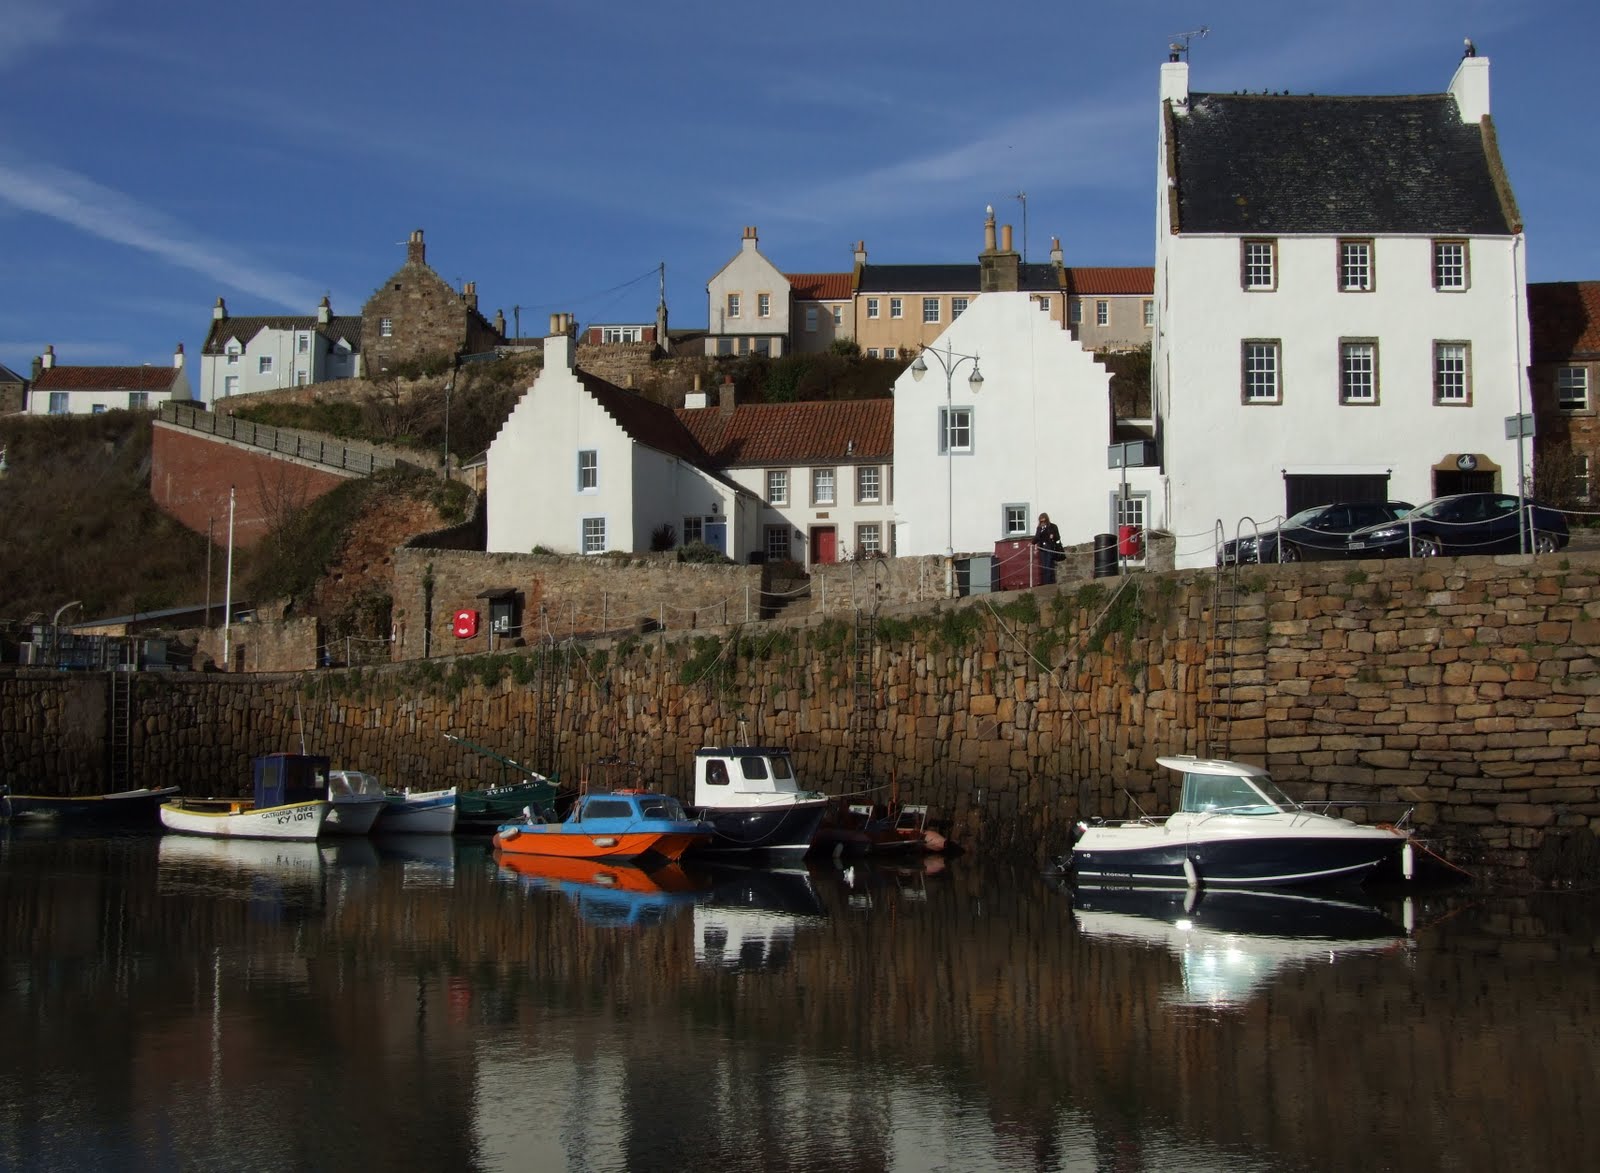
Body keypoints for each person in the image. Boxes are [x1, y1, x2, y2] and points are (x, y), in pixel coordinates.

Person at [1034, 512, 1064, 584]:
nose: (1043, 523)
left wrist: (1053, 536)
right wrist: (1032, 543)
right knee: (1044, 566)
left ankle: (1050, 582)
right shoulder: (1039, 528)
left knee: (1049, 565)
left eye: (1044, 521)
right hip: (1042, 549)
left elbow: (1058, 537)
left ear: (1047, 520)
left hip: (1050, 547)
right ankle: (1046, 582)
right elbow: (1037, 537)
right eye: (1041, 521)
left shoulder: (1053, 526)